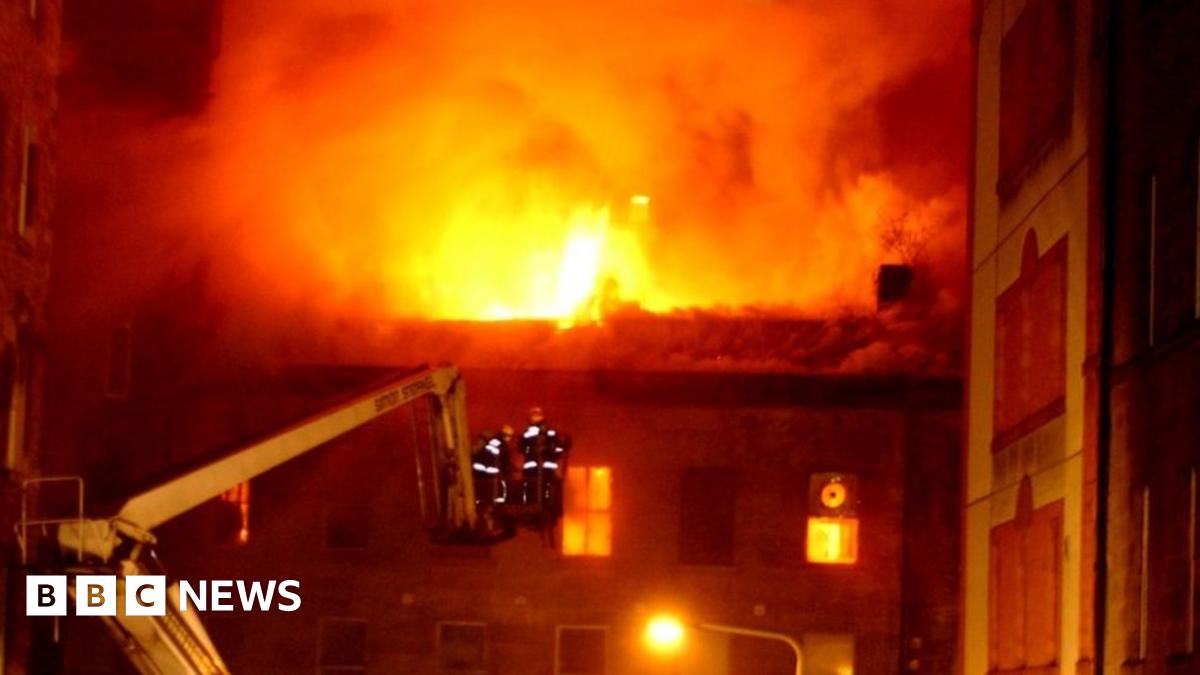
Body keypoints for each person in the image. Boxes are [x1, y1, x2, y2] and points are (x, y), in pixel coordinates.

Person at [519, 407, 571, 522]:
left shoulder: (547, 432)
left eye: (537, 415)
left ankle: (546, 508)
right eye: (533, 415)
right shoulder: (530, 433)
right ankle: (535, 509)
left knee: (546, 489)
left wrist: (556, 450)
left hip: (543, 469)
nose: (535, 418)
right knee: (536, 489)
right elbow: (521, 448)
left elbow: (558, 447)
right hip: (535, 469)